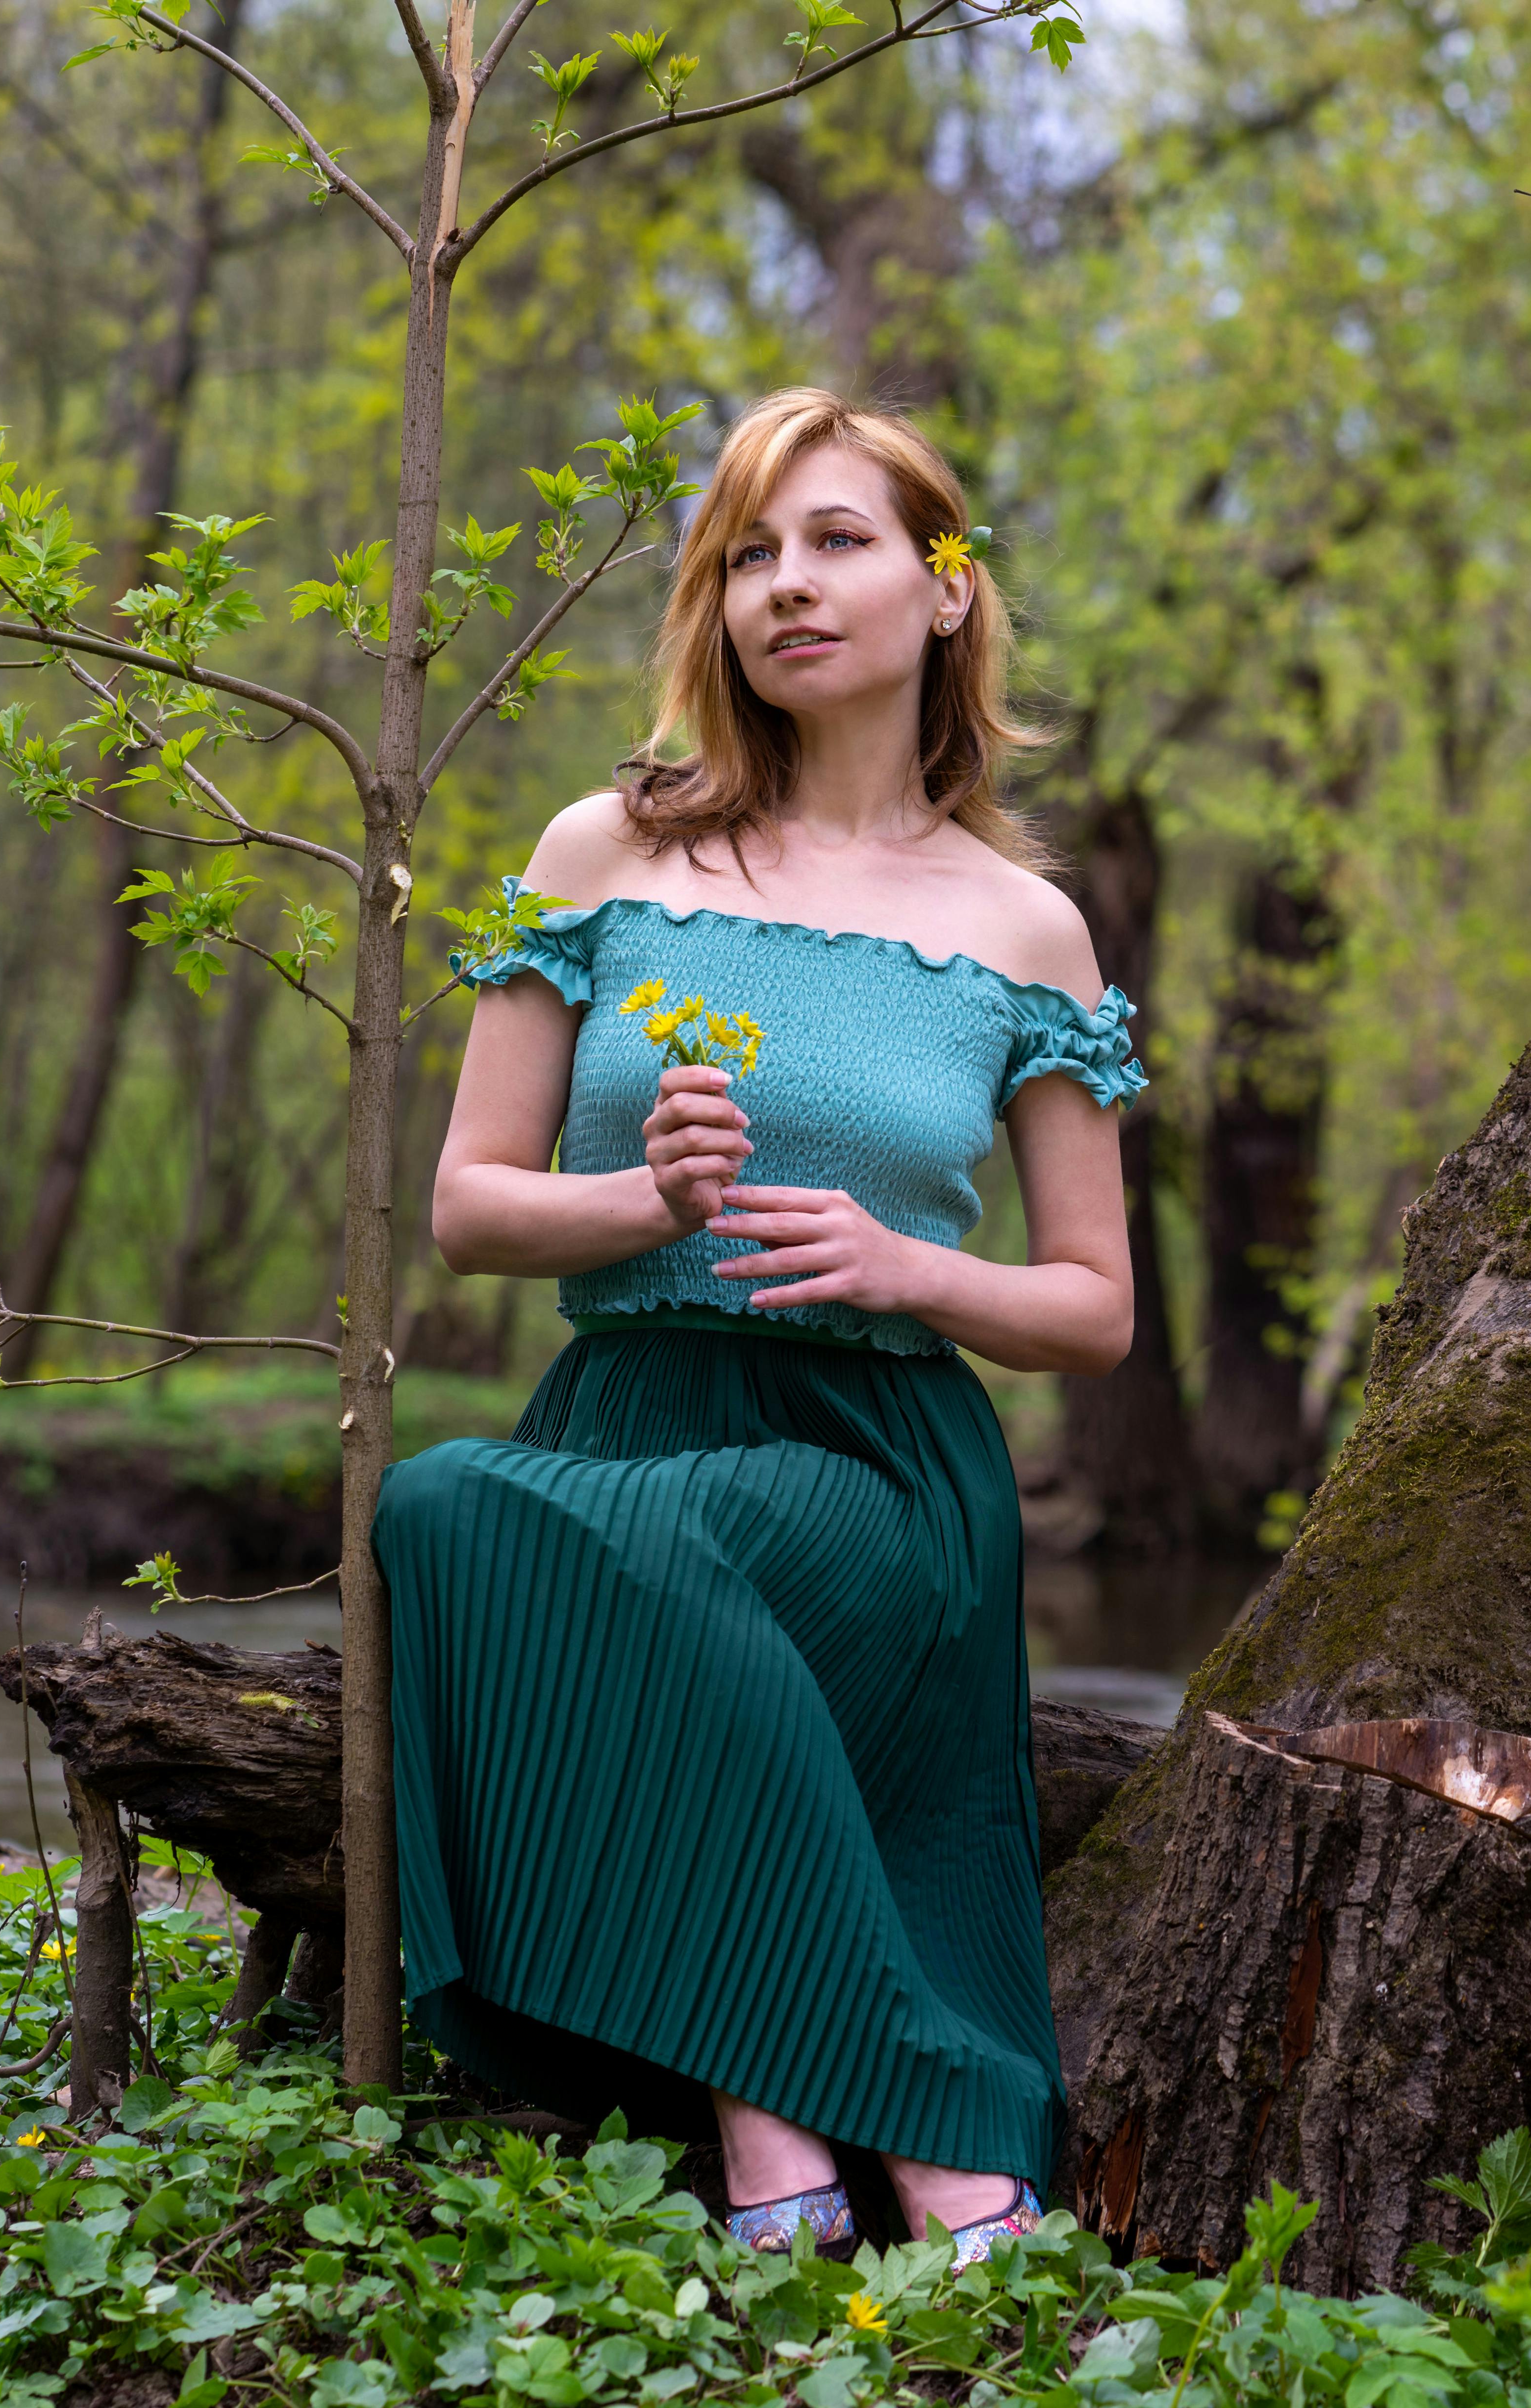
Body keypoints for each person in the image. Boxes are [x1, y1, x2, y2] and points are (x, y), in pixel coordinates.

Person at [383, 387, 1146, 2265]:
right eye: (747, 555)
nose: (786, 589)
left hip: (878, 1459)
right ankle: (823, 2117)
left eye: (837, 543)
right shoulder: (607, 853)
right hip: (624, 1420)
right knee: (442, 1507)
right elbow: (470, 1206)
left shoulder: (1024, 926)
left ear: (948, 589)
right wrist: (646, 1201)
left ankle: (789, 2141)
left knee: (663, 1555)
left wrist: (914, 1273)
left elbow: (1094, 1308)